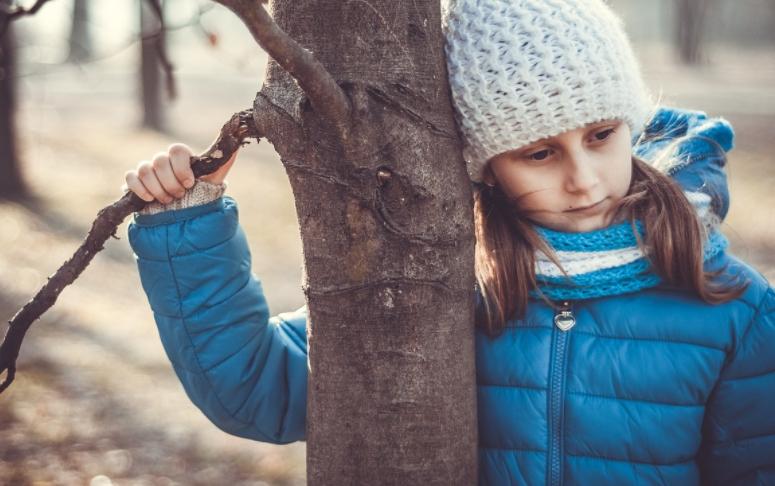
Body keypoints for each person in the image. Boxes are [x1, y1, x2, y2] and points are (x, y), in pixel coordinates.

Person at [122, 0, 775, 484]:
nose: (582, 179)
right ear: (486, 167)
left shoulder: (732, 308)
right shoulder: (450, 283)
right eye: (540, 153)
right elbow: (258, 391)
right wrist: (189, 227)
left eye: (601, 135)